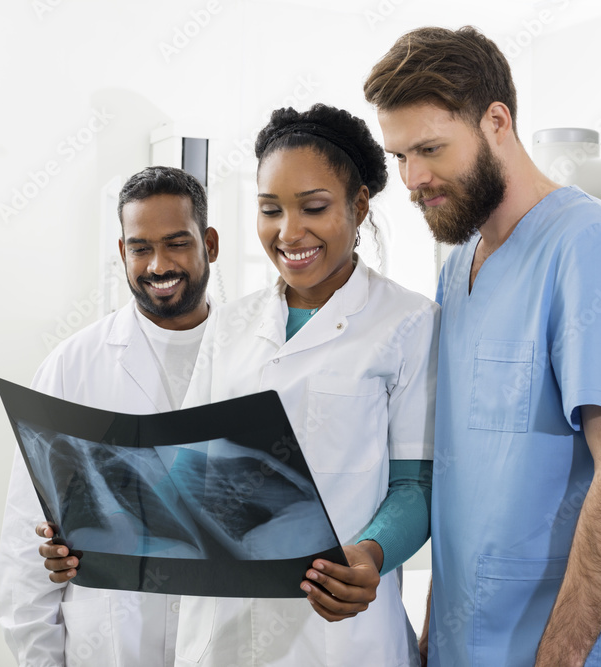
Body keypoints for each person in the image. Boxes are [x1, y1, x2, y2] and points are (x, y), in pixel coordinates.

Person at [364, 26, 601, 667]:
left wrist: (559, 656)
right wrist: (433, 632)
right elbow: (466, 482)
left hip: (563, 649)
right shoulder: (458, 264)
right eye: (399, 157)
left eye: (429, 149)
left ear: (496, 121)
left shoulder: (590, 248)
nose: (413, 178)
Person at [169, 103, 440, 667]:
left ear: (359, 205)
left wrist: (370, 553)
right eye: (270, 210)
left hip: (342, 637)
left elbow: (416, 485)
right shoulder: (230, 326)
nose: (289, 233)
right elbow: (183, 468)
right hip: (226, 630)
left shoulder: (407, 323)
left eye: (313, 207)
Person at [0, 166, 219, 667]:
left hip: (220, 641)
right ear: (123, 253)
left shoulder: (251, 357)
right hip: (111, 644)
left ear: (210, 243)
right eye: (140, 248)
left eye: (177, 243)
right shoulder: (73, 366)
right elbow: (25, 541)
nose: (158, 264)